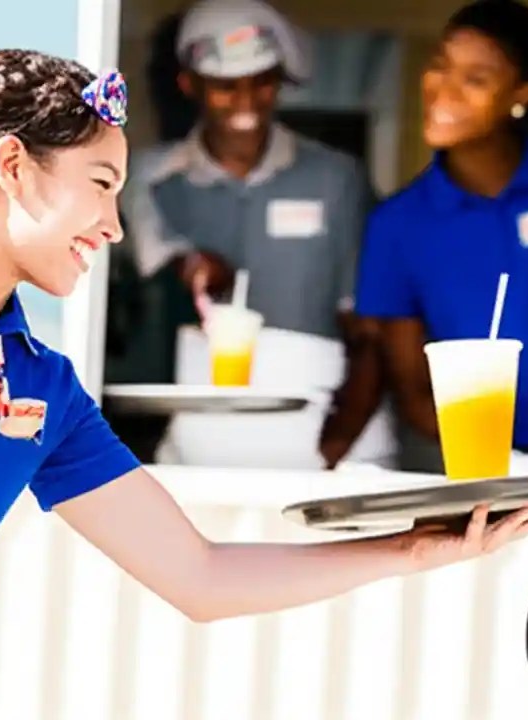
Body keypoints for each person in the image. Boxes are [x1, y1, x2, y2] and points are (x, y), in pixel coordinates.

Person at [0, 49, 528, 719]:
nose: (116, 226)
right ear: (12, 166)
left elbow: (198, 576)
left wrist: (417, 551)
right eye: (101, 185)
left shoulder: (47, 387)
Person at [117, 0, 384, 468]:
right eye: (225, 86)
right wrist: (192, 268)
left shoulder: (336, 179)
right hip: (200, 424)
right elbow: (158, 258)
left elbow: (368, 331)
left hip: (322, 417)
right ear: (189, 85)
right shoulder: (151, 179)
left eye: (262, 81)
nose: (246, 101)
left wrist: (333, 448)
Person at [347, 0, 528, 474]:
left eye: (475, 79)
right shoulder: (398, 223)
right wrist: (498, 470)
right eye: (441, 67)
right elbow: (412, 390)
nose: (443, 91)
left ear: (522, 94)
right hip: (478, 469)